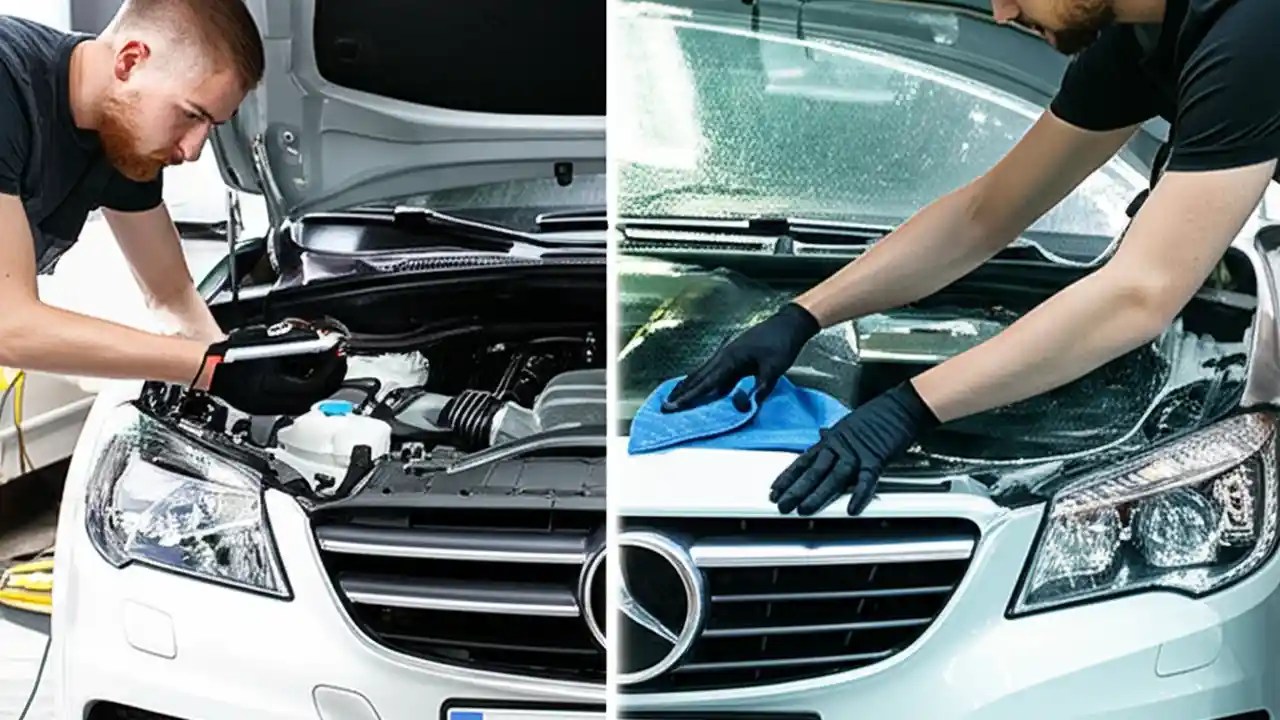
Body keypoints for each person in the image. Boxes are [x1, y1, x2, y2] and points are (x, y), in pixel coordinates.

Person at [662, 0, 1279, 517]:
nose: (1002, 9)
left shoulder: (1253, 30)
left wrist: (910, 407)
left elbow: (1141, 293)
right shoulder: (1143, 43)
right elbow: (985, 213)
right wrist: (803, 316)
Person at [0, 0, 345, 418]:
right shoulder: (8, 87)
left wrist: (245, 362)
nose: (192, 149)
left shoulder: (121, 132)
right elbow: (9, 325)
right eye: (190, 115)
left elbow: (172, 298)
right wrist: (209, 368)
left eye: (210, 126)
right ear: (130, 60)